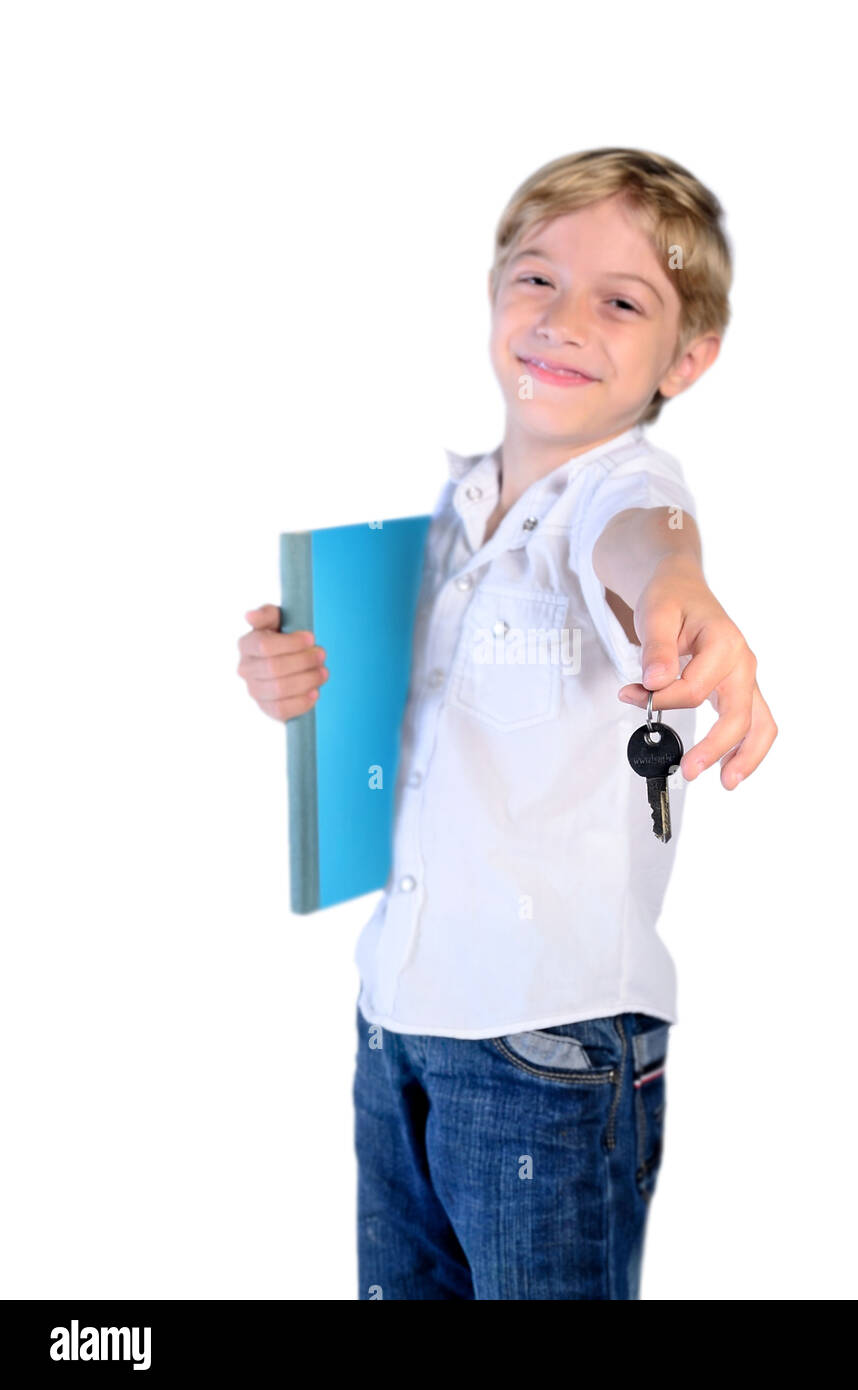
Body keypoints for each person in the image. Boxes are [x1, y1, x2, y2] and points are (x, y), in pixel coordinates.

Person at [236, 147, 778, 1299]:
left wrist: (682, 604)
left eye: (620, 301)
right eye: (536, 279)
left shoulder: (627, 494)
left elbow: (647, 550)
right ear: (493, 297)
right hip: (395, 1019)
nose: (562, 318)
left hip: (549, 1044)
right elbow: (401, 727)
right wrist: (289, 674)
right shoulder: (447, 513)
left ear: (686, 357)